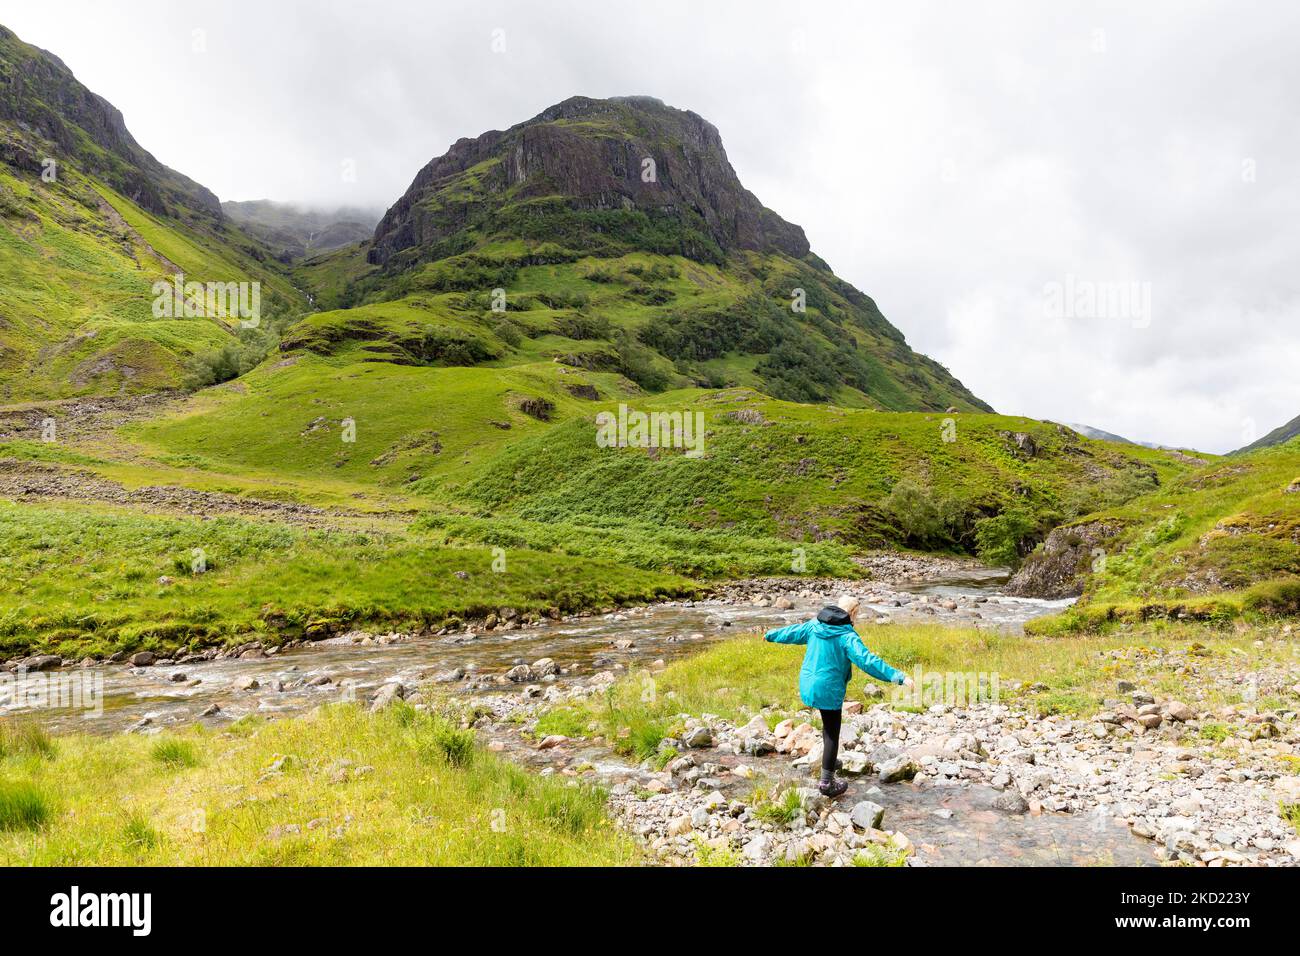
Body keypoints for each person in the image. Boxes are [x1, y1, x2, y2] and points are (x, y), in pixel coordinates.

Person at [764, 594, 913, 797]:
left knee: (827, 725)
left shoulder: (815, 625)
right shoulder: (846, 636)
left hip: (808, 684)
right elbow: (867, 661)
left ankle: (830, 761)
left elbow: (792, 632)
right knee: (832, 732)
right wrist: (899, 677)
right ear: (852, 613)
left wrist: (771, 634)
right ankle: (827, 783)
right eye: (857, 614)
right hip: (828, 688)